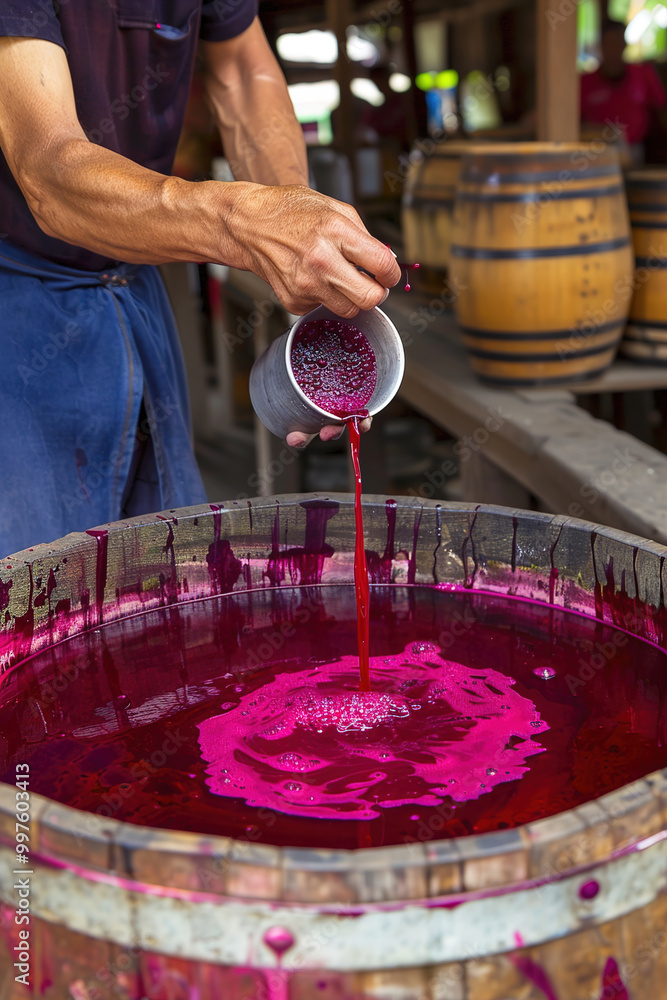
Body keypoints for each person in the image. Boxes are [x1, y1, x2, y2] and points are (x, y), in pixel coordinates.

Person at [0, 1, 400, 557]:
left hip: (131, 283)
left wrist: (302, 227)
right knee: (38, 579)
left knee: (160, 564)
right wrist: (242, 223)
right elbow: (49, 174)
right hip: (21, 302)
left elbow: (244, 71)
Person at [580, 19, 666, 162]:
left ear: (624, 45)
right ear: (600, 46)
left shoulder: (643, 74)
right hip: (594, 154)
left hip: (638, 153)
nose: (613, 50)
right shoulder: (584, 82)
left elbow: (660, 111)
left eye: (617, 43)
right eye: (608, 44)